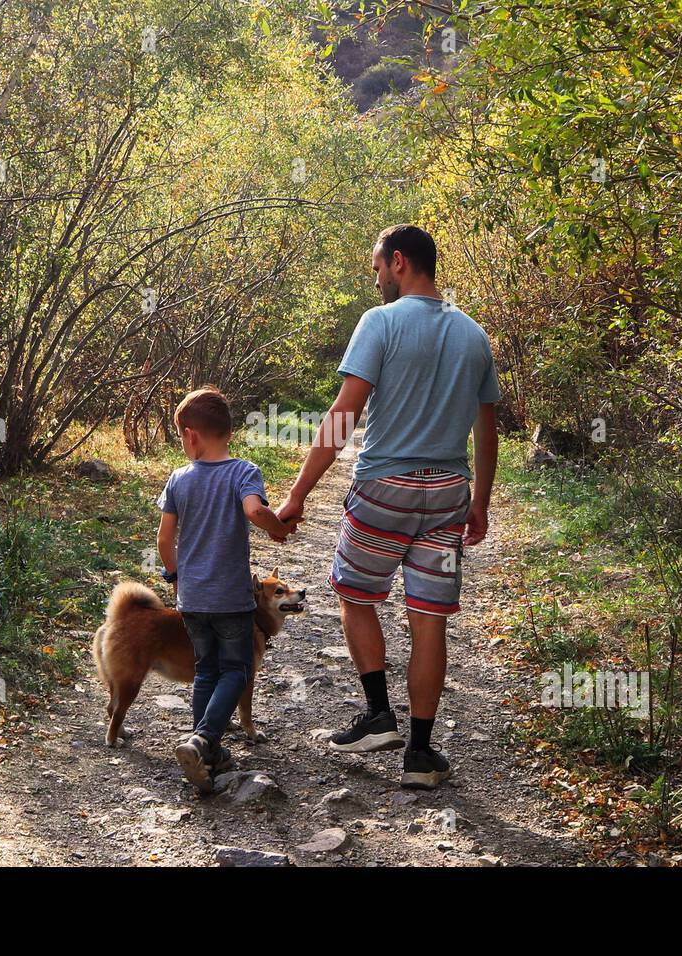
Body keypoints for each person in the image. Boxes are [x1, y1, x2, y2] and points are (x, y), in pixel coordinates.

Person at [276, 224, 500, 789]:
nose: (376, 278)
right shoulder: (474, 336)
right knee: (430, 622)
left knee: (355, 595)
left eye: (377, 267)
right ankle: (421, 754)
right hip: (448, 494)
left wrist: (298, 495)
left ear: (399, 262)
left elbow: (344, 414)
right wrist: (481, 502)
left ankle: (379, 715)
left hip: (384, 489)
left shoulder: (380, 323)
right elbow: (487, 429)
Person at [156, 386, 298, 792]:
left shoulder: (178, 479)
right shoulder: (244, 471)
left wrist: (174, 576)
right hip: (233, 598)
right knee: (237, 669)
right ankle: (202, 741)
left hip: (193, 598)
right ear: (228, 432)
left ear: (190, 434)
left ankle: (206, 750)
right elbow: (254, 511)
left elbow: (165, 541)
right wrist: (280, 529)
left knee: (206, 671)